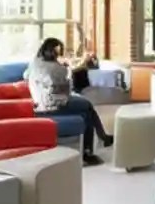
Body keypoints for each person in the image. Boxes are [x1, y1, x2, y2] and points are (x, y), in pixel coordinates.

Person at [25, 38, 113, 166]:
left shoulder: (34, 63)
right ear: (54, 51)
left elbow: (25, 76)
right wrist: (68, 70)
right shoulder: (55, 68)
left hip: (38, 104)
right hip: (53, 104)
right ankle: (91, 149)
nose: (61, 54)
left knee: (85, 112)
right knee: (87, 106)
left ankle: (99, 141)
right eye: (60, 51)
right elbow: (65, 88)